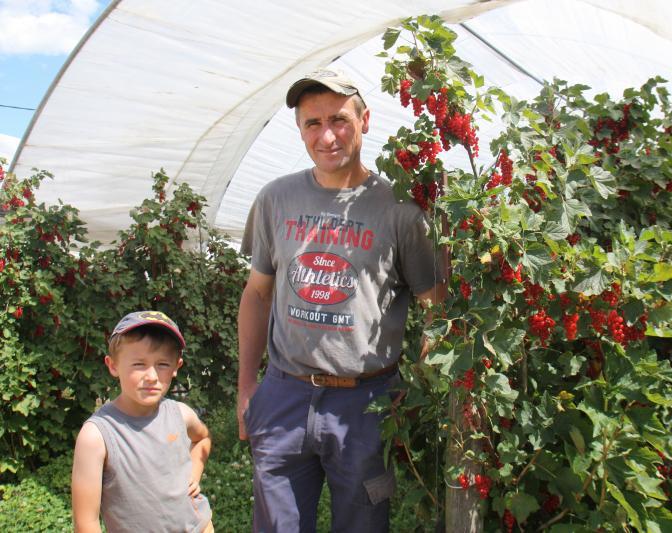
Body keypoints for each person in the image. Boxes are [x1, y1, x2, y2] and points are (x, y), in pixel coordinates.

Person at [237, 68, 445, 532]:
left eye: (339, 120)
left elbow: (437, 307)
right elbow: (257, 294)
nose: (327, 136)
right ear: (299, 129)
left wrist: (415, 390)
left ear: (364, 120)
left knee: (363, 524)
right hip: (285, 394)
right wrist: (247, 386)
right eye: (313, 123)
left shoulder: (400, 209)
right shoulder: (276, 199)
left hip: (366, 403)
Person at [71, 310, 213, 533]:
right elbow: (86, 523)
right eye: (139, 364)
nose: (152, 377)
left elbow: (203, 438)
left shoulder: (181, 414)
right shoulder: (96, 436)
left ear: (176, 367)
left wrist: (195, 472)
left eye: (162, 364)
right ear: (113, 365)